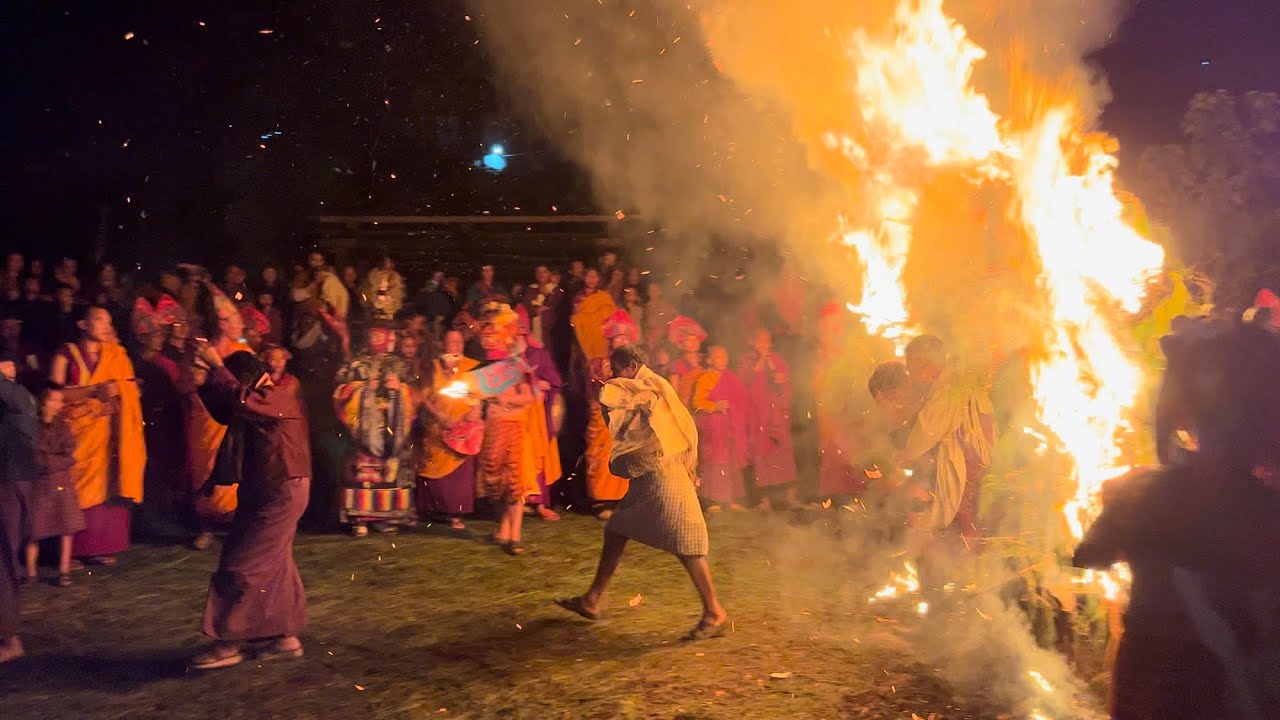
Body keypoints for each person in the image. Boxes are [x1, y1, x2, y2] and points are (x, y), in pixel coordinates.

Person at [555, 345, 728, 640]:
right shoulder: (654, 387)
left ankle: (714, 612)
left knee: (686, 542)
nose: (612, 374)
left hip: (662, 475)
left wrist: (607, 389)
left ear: (632, 366)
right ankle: (592, 599)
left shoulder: (650, 387)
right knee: (616, 530)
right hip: (651, 475)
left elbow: (624, 397)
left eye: (616, 369)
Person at [189, 347, 311, 671]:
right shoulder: (259, 402)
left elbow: (236, 401)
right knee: (273, 563)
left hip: (280, 491)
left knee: (243, 562)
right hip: (268, 489)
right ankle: (284, 638)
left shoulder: (277, 396)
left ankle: (230, 641)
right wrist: (204, 379)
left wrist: (216, 366)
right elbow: (229, 409)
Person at [49, 305, 146, 566]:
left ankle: (99, 547)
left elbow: (127, 391)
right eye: (99, 320)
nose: (105, 326)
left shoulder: (116, 355)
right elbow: (54, 394)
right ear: (82, 324)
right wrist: (94, 391)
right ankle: (69, 552)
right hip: (75, 434)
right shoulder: (66, 354)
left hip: (107, 435)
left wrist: (124, 393)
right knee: (73, 491)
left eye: (109, 321)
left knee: (106, 489)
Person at [897, 335, 994, 541]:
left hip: (966, 472)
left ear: (925, 365)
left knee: (964, 533)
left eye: (912, 369)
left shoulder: (947, 390)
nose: (912, 377)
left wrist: (905, 456)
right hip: (982, 471)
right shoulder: (966, 384)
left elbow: (927, 430)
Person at [333, 321, 415, 537]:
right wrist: (363, 391)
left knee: (390, 472)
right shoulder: (356, 363)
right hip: (363, 428)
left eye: (382, 335)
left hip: (391, 426)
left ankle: (388, 517)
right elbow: (341, 389)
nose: (378, 339)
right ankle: (359, 517)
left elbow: (413, 392)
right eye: (374, 334)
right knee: (362, 474)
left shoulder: (400, 364)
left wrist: (398, 390)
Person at [475, 304, 536, 555]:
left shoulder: (515, 366)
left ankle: (516, 536)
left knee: (514, 481)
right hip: (493, 428)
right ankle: (503, 529)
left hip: (513, 427)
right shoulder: (486, 366)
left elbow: (529, 397)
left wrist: (506, 401)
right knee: (495, 482)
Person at [573, 271, 629, 518]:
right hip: (603, 414)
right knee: (602, 452)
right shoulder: (599, 361)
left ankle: (623, 500)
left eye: (623, 337)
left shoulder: (632, 362)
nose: (620, 341)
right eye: (617, 337)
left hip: (625, 415)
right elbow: (597, 385)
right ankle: (604, 501)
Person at [416, 330, 481, 530]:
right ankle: (432, 511)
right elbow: (423, 397)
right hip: (437, 427)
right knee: (432, 469)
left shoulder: (471, 367)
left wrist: (475, 412)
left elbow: (477, 395)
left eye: (459, 341)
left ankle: (456, 515)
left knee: (459, 474)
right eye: (451, 341)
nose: (455, 345)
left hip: (463, 430)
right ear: (443, 344)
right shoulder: (432, 368)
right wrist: (439, 415)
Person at [24, 384, 83, 587]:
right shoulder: (33, 426)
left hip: (61, 482)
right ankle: (31, 573)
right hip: (40, 484)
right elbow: (34, 456)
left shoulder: (63, 426)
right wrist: (47, 461)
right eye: (52, 400)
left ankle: (64, 570)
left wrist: (54, 461)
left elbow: (70, 453)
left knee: (66, 527)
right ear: (43, 402)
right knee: (34, 528)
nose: (57, 405)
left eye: (60, 400)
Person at [0, 345, 36, 662]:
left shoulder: (15, 396)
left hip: (9, 484)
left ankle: (9, 639)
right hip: (10, 481)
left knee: (3, 559)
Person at [739, 328, 799, 508]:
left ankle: (788, 494)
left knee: (783, 454)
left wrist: (782, 382)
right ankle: (763, 498)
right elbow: (745, 381)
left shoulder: (777, 360)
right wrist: (762, 360)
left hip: (776, 414)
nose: (764, 344)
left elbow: (786, 384)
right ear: (753, 342)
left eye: (767, 340)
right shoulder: (747, 360)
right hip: (758, 416)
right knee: (761, 455)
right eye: (760, 340)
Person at [518, 306, 564, 521]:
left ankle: (542, 504)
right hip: (517, 416)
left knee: (539, 457)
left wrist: (538, 384)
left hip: (537, 415)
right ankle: (523, 500)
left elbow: (554, 382)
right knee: (519, 457)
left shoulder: (539, 353)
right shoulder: (507, 356)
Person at [692, 346, 749, 510]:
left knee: (730, 462)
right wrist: (713, 405)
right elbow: (697, 402)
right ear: (710, 360)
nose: (722, 360)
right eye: (718, 357)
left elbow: (742, 399)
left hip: (730, 427)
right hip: (713, 427)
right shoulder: (705, 378)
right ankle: (713, 500)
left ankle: (730, 499)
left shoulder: (731, 377)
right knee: (716, 463)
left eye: (725, 357)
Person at [667, 316, 707, 407]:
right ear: (681, 344)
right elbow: (675, 393)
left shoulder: (706, 361)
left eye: (695, 339)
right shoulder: (676, 365)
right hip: (686, 408)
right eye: (688, 340)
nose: (693, 343)